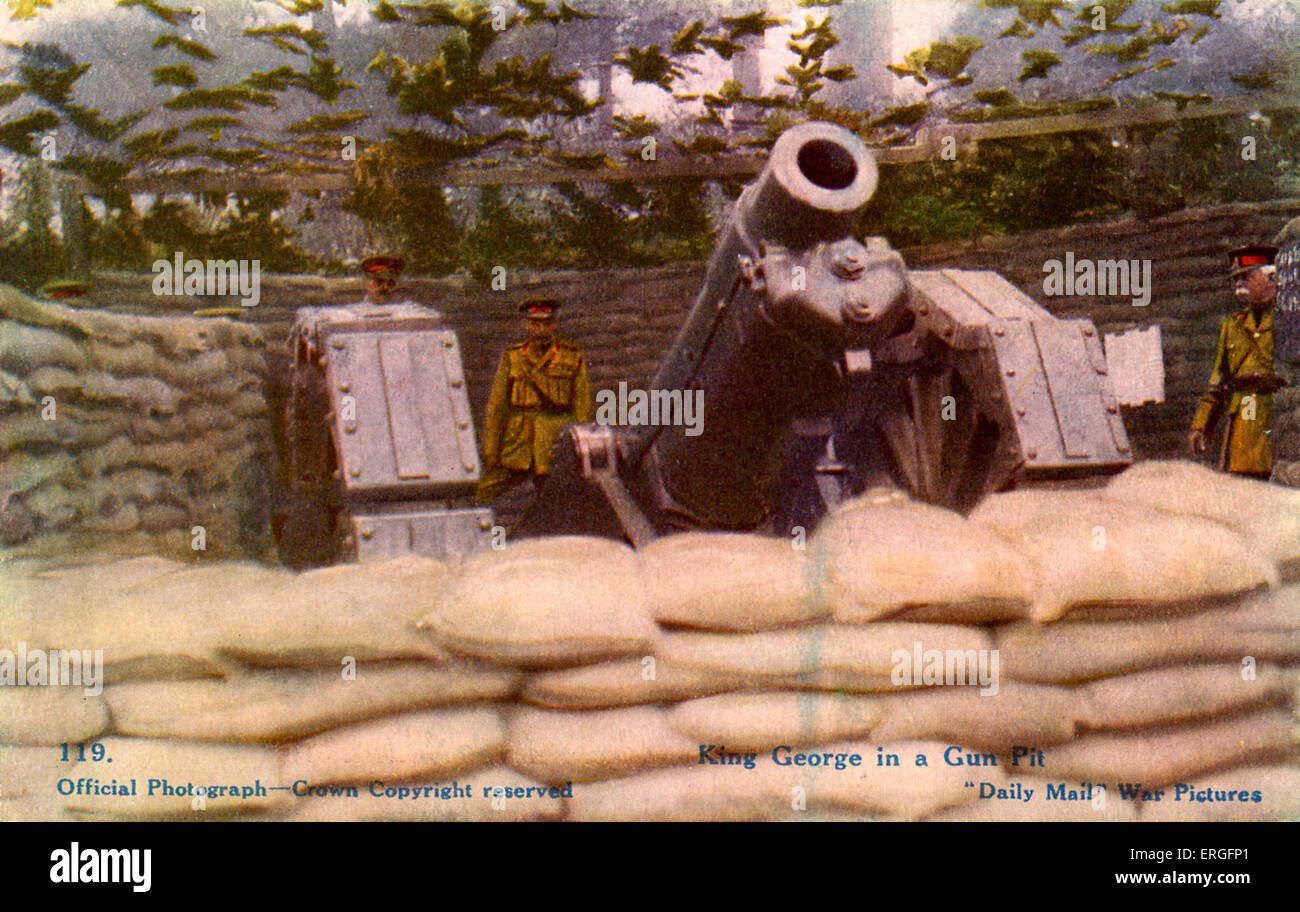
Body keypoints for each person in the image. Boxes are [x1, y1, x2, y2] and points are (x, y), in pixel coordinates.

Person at [477, 297, 593, 504]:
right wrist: (491, 450)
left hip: (554, 443)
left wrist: (579, 449)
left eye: (546, 323)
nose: (540, 329)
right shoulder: (512, 357)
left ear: (553, 325)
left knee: (561, 501)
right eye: (535, 323)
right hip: (518, 442)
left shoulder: (571, 356)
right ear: (527, 325)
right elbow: (497, 406)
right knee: (482, 493)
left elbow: (582, 407)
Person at [1188, 244, 1288, 480]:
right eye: (1235, 279)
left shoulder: (1290, 319)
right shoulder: (1231, 325)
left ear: (1271, 279)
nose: (1238, 285)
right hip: (1241, 422)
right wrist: (1201, 426)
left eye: (1246, 277)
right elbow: (1217, 383)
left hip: (1275, 422)